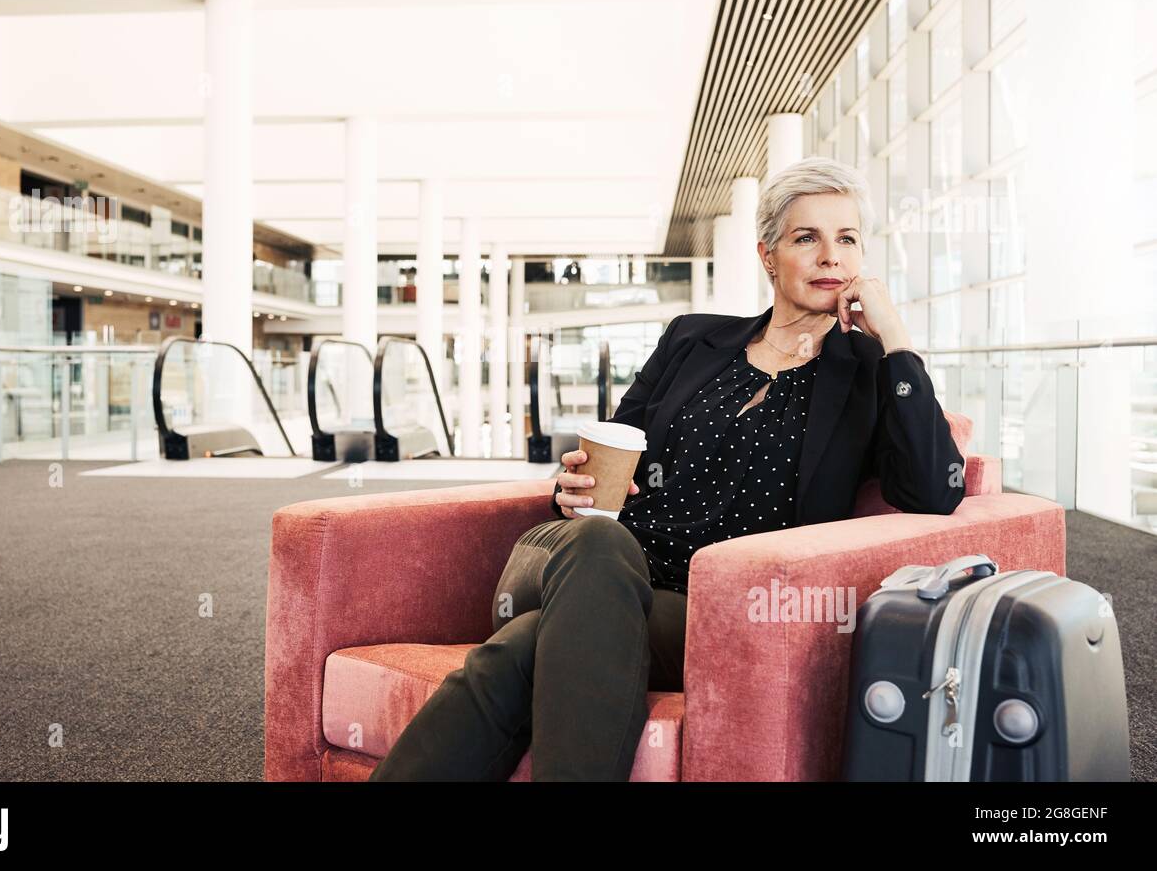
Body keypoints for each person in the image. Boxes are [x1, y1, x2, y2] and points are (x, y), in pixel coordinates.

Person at [368, 156, 964, 781]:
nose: (830, 258)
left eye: (846, 239)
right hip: (591, 558)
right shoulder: (691, 339)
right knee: (599, 541)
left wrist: (896, 340)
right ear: (768, 255)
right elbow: (609, 458)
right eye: (806, 238)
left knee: (520, 650)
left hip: (709, 610)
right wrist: (573, 485)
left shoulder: (871, 375)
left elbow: (933, 489)